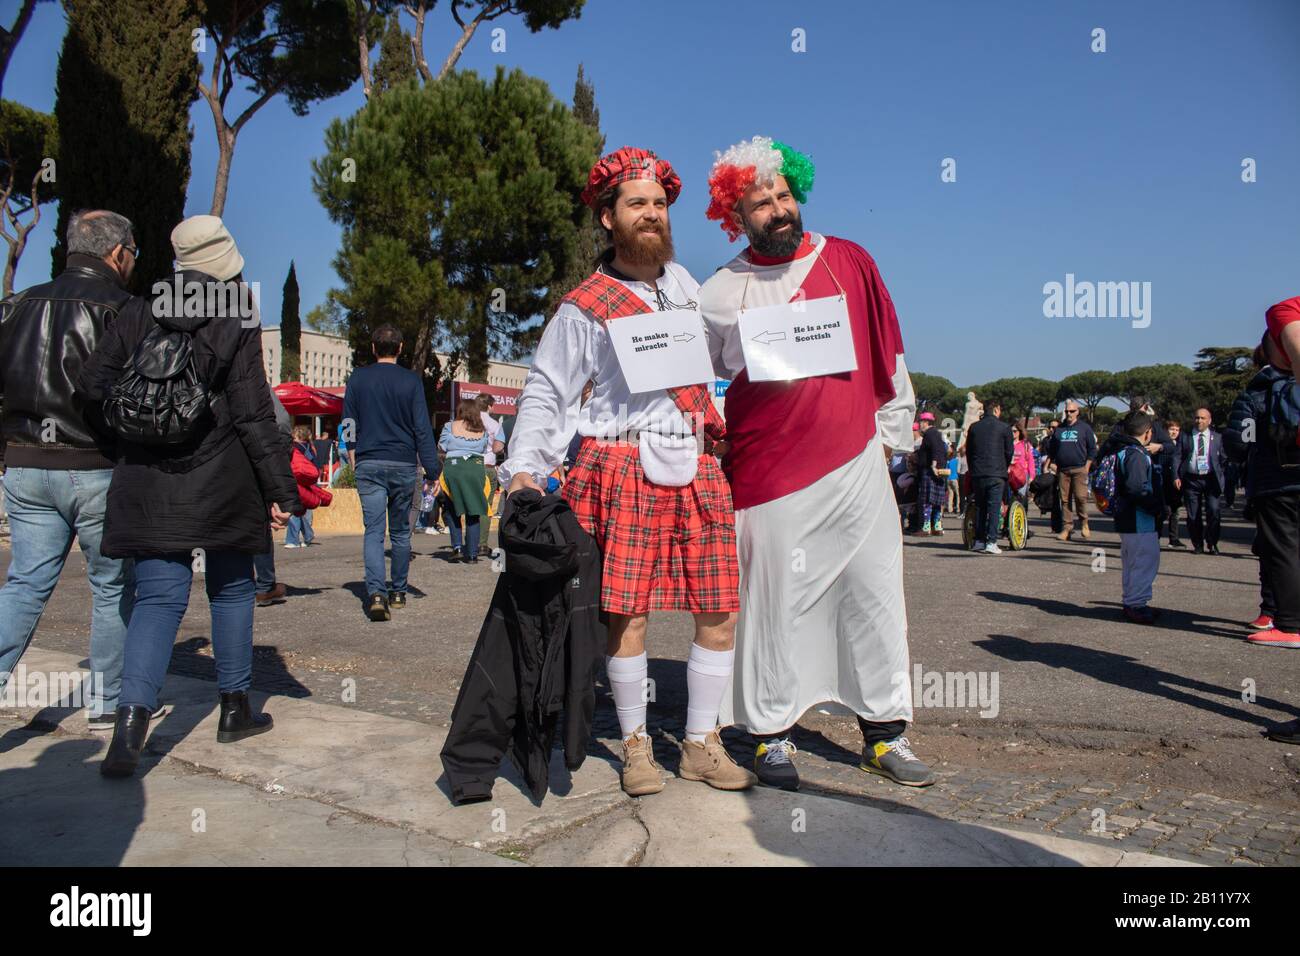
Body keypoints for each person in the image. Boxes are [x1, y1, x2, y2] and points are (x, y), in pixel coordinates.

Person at [502, 145, 753, 797]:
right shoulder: (585, 303)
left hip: (696, 461)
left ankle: (700, 743)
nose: (652, 214)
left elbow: (723, 364)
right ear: (608, 217)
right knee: (628, 614)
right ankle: (637, 747)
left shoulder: (691, 288)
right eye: (637, 203)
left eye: (660, 204)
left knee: (720, 608)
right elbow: (546, 390)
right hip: (622, 462)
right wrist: (524, 467)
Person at [698, 135, 933, 790]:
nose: (776, 209)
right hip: (768, 473)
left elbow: (889, 352)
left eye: (782, 194)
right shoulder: (721, 291)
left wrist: (890, 438)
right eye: (759, 202)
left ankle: (885, 735)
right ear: (735, 216)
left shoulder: (850, 260)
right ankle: (769, 735)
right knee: (773, 602)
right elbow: (695, 375)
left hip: (855, 459)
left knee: (875, 595)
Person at [76, 214, 298, 777]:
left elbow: (92, 387)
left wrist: (137, 430)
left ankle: (129, 728)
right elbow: (251, 411)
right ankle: (235, 710)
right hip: (223, 475)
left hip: (149, 477)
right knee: (229, 590)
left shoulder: (137, 309)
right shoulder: (237, 314)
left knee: (156, 599)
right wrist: (280, 488)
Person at [0, 210, 141, 730]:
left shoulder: (16, 305)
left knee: (24, 586)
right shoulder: (124, 310)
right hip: (95, 465)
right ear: (116, 253)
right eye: (134, 253)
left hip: (25, 463)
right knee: (110, 588)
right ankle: (107, 707)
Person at [341, 325, 440, 622]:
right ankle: (397, 592)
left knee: (373, 532)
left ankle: (375, 594)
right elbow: (422, 427)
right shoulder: (411, 382)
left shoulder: (358, 379)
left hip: (369, 463)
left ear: (373, 348)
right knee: (399, 533)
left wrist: (352, 453)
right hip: (403, 464)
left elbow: (348, 420)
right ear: (400, 348)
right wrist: (433, 469)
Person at [1226, 319, 1300, 670]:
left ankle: (1288, 622)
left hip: (1275, 484)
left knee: (1281, 551)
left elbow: (1240, 444)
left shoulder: (1258, 392)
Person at [1113, 412, 1163, 625]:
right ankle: (1136, 605)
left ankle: (1132, 601)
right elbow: (1136, 488)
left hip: (1128, 518)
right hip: (1139, 519)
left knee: (1132, 562)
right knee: (1144, 561)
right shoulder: (1137, 455)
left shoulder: (1124, 451)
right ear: (1148, 432)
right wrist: (1155, 506)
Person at [439, 400, 492, 563]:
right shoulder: (482, 430)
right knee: (473, 511)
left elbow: (442, 446)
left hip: (454, 468)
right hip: (475, 468)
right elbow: (484, 448)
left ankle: (457, 547)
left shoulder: (450, 426)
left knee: (452, 509)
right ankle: (472, 554)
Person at [254, 392, 293, 606]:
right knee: (259, 521)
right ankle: (265, 586)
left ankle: (232, 582)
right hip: (257, 458)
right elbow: (282, 424)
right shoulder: (255, 384)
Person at [964, 399, 1014, 554]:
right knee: (993, 507)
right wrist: (1003, 467)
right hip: (996, 472)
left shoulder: (974, 428)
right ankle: (991, 541)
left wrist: (973, 470)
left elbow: (969, 452)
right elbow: (1009, 452)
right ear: (997, 410)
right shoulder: (1004, 427)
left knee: (980, 506)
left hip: (978, 473)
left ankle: (979, 540)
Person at [1045, 401, 1097, 540]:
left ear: (1077, 412)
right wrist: (1051, 464)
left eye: (1072, 411)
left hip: (1080, 469)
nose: (1069, 414)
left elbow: (1092, 449)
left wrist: (1087, 466)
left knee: (1080, 497)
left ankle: (1084, 522)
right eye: (1067, 411)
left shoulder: (1085, 428)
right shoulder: (1060, 429)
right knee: (1065, 500)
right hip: (1063, 470)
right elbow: (1053, 449)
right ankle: (1067, 528)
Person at [1180, 407, 1227, 555]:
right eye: (1197, 418)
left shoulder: (1218, 438)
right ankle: (1197, 544)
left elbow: (1224, 459)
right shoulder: (1185, 436)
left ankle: (1212, 543)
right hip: (1191, 480)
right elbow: (1177, 456)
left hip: (1211, 480)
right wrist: (1176, 476)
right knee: (1193, 514)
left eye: (1202, 418)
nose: (1199, 420)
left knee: (1213, 510)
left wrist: (1221, 474)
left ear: (1209, 420)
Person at [474, 393, 507, 551]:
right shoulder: (494, 424)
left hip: (470, 466)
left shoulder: (467, 421)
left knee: (470, 504)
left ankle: (469, 542)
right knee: (485, 506)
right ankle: (482, 544)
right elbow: (498, 447)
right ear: (488, 406)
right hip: (487, 466)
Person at [911, 411, 948, 535]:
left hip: (930, 471)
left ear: (925, 422)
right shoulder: (936, 434)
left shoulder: (930, 434)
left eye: (921, 422)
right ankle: (937, 527)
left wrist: (933, 465)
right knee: (937, 501)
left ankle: (926, 528)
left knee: (927, 500)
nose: (920, 425)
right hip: (938, 471)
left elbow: (936, 450)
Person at [285, 425, 318, 548]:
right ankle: (308, 535)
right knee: (299, 510)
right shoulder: (309, 447)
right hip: (307, 481)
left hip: (300, 481)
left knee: (295, 510)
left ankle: (292, 540)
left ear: (298, 436)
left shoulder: (297, 447)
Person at [1162, 419, 1188, 548]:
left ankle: (1174, 538)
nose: (1174, 432)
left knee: (1175, 511)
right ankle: (1156, 537)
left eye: (1177, 430)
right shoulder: (1161, 444)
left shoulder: (1180, 443)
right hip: (1164, 481)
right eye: (1172, 429)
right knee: (1164, 511)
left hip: (1176, 482)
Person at [1009, 419, 1037, 502]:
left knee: (1020, 498)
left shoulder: (1025, 445)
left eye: (1014, 431)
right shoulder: (1006, 444)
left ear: (1019, 431)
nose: (1012, 433)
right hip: (1009, 474)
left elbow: (1031, 461)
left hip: (1021, 476)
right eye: (1010, 431)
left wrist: (1031, 476)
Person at [945, 444, 961, 515]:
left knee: (950, 494)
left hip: (948, 478)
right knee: (958, 494)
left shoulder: (949, 461)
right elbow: (958, 470)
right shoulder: (957, 461)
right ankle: (958, 508)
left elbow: (946, 469)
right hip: (955, 478)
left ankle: (949, 508)